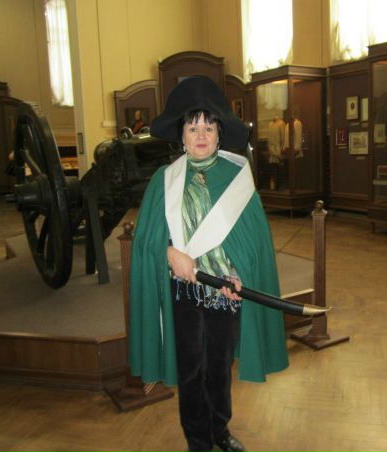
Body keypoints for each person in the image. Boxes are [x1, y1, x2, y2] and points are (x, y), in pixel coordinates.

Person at [128, 76, 289, 452]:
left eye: (208, 127)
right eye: (192, 127)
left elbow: (254, 244)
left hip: (224, 294)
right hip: (183, 295)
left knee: (219, 368)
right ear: (181, 136)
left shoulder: (238, 180)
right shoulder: (164, 181)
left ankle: (220, 429)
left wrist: (239, 276)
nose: (200, 135)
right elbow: (146, 240)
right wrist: (169, 254)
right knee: (190, 370)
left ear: (219, 135)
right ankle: (198, 441)